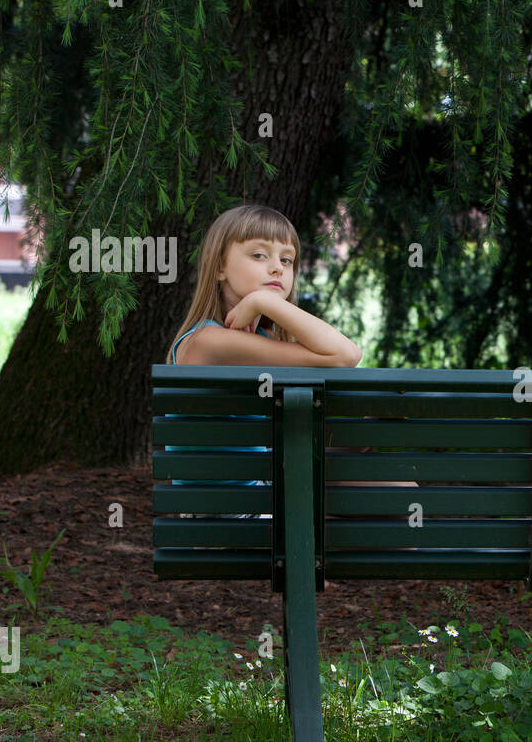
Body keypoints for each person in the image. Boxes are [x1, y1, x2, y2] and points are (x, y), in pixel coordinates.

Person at [165, 204, 411, 520]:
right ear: (219, 267)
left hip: (258, 495)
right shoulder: (208, 342)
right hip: (232, 514)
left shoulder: (260, 342)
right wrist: (263, 300)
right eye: (258, 255)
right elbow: (345, 355)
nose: (277, 268)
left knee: (399, 493)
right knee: (397, 506)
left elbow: (339, 358)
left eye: (286, 260)